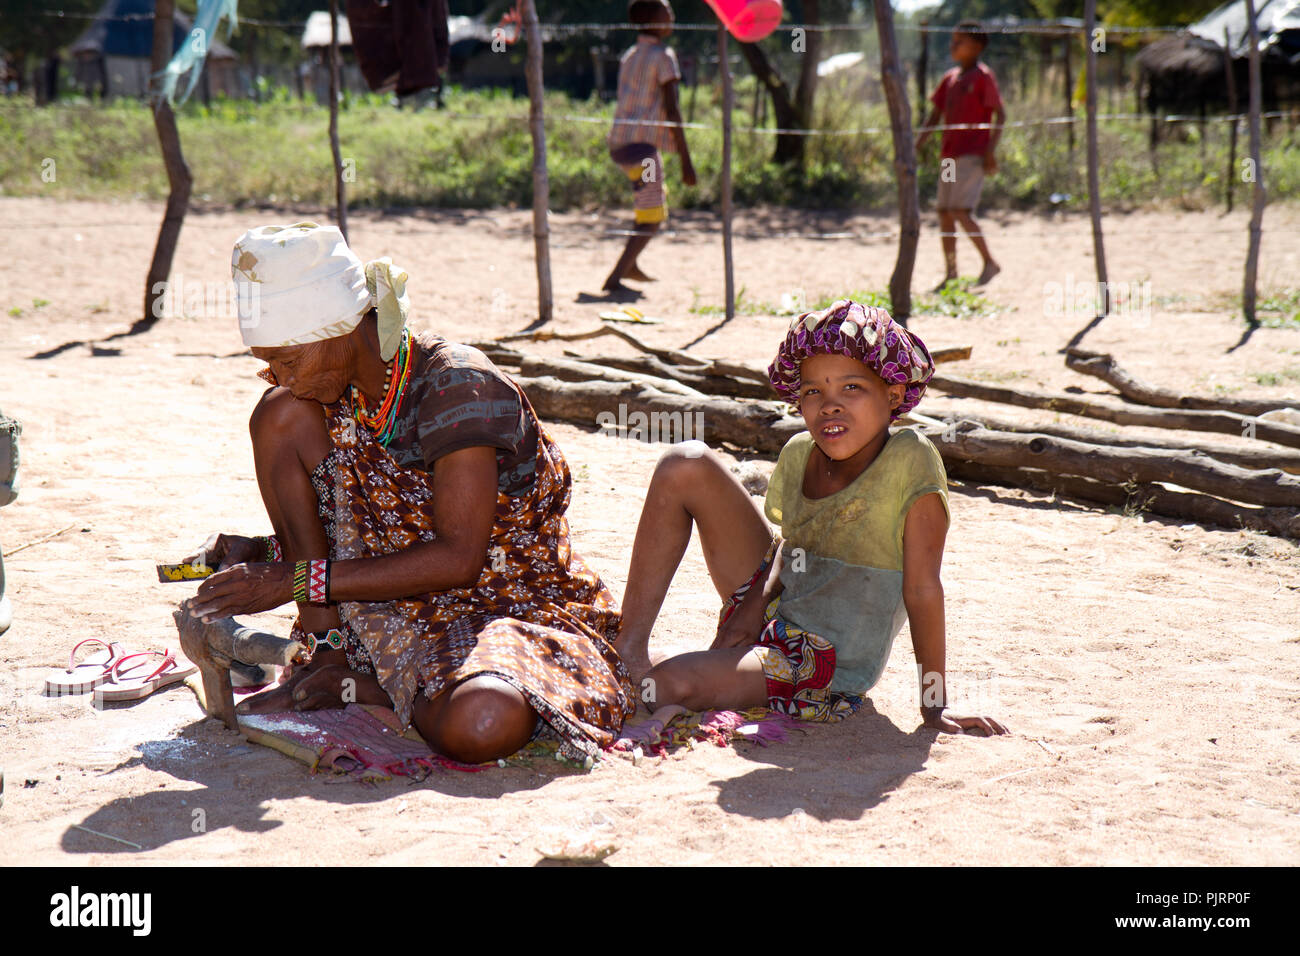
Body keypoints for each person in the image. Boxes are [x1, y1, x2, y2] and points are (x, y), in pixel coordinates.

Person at [188, 222, 634, 763]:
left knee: (481, 721)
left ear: (341, 328)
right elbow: (364, 529)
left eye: (288, 359)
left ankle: (378, 689)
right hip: (377, 610)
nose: (278, 376)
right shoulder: (331, 398)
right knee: (278, 414)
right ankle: (329, 656)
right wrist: (266, 552)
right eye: (268, 361)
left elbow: (458, 557)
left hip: (502, 604)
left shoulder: (458, 387)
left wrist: (295, 579)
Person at [613, 300, 1008, 737]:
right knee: (684, 462)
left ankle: (695, 674)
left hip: (822, 659)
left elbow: (923, 588)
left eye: (851, 388)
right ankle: (627, 648)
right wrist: (752, 605)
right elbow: (792, 549)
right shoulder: (800, 452)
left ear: (893, 395)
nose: (829, 406)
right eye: (813, 391)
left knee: (664, 686)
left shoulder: (910, 460)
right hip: (776, 610)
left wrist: (935, 705)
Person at [602, 0, 696, 296]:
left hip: (620, 143)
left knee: (647, 210)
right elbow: (673, 109)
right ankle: (615, 277)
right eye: (665, 12)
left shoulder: (630, 55)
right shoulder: (664, 57)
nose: (672, 16)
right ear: (651, 20)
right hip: (643, 150)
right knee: (653, 216)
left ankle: (629, 266)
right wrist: (686, 160)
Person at [916, 20, 1005, 290]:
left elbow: (1000, 114)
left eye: (960, 41)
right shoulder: (950, 79)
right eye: (952, 39)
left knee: (960, 211)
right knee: (944, 212)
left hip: (972, 155)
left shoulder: (983, 77)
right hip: (949, 157)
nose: (953, 45)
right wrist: (917, 144)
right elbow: (935, 115)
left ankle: (990, 262)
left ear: (977, 46)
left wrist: (990, 151)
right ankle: (951, 272)